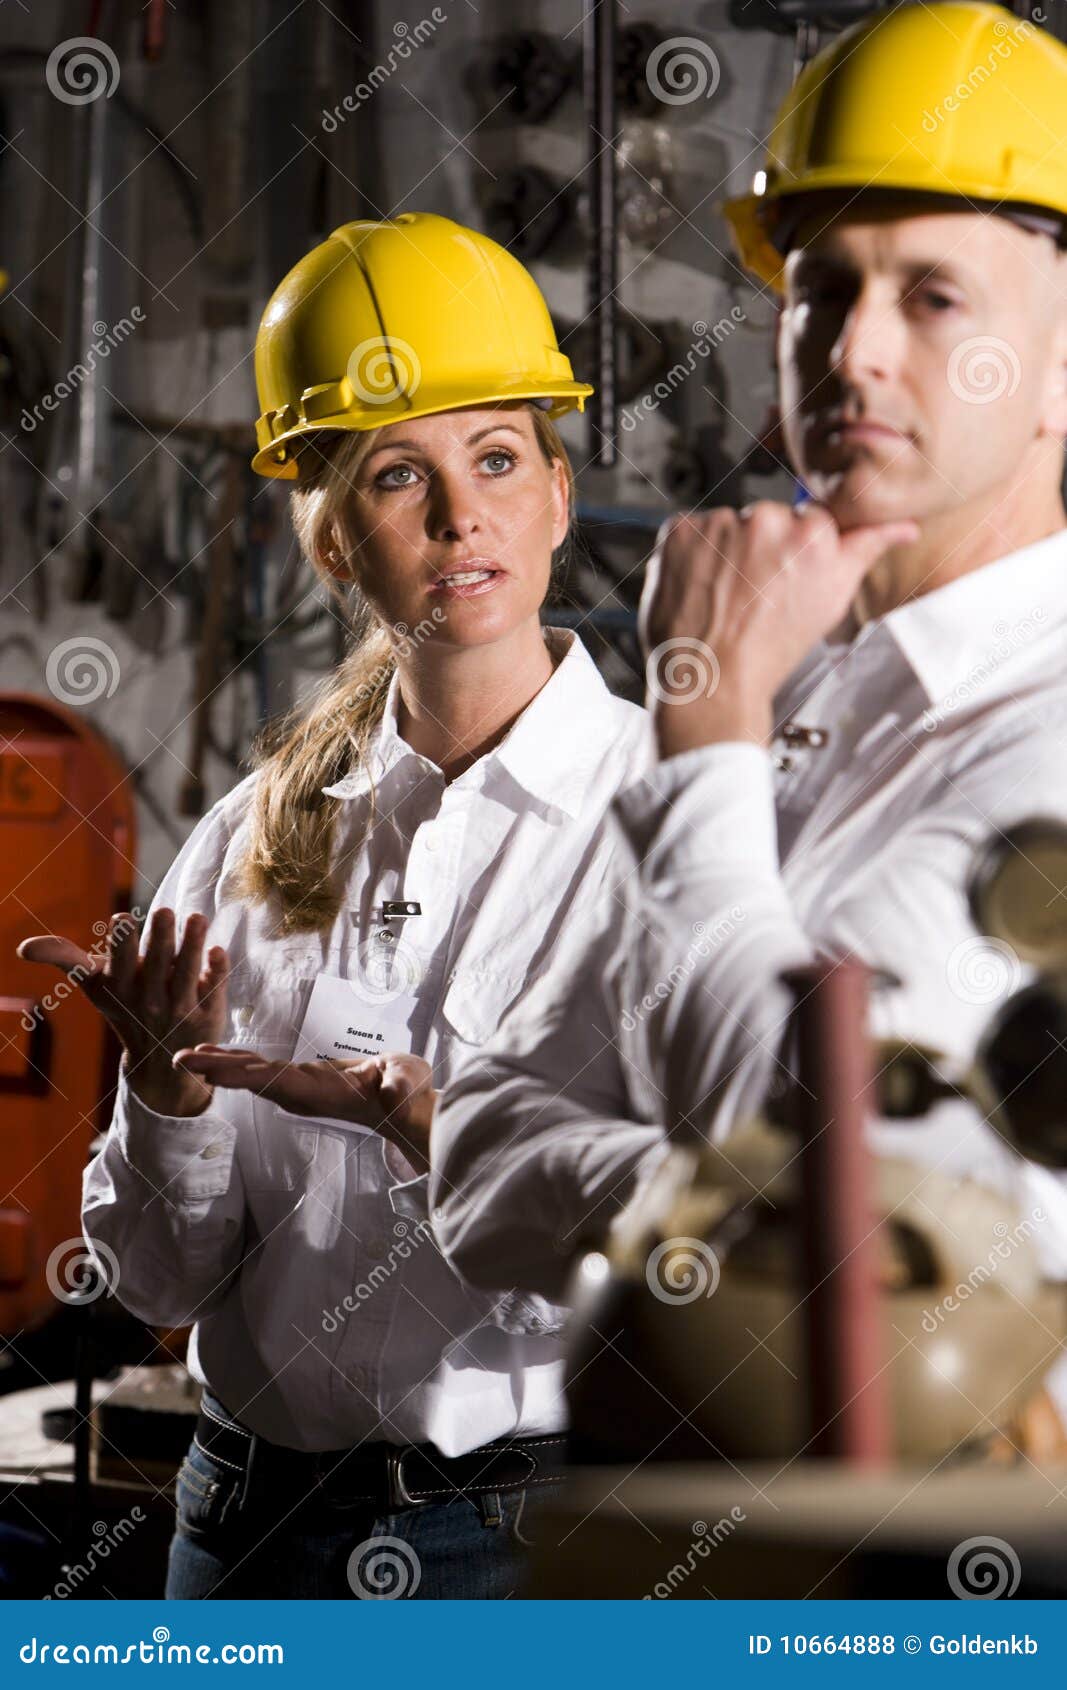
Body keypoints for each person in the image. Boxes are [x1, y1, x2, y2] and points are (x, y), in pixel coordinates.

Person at [429, 2, 1067, 1451]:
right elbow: (474, 1151)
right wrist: (701, 1192)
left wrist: (706, 729)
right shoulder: (801, 696)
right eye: (823, 289)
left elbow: (843, 1183)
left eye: (934, 297)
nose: (854, 353)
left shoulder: (1038, 731)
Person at [17, 213, 649, 1598]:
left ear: (556, 489)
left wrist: (443, 1136)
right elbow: (159, 1286)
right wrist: (166, 1095)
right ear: (332, 541)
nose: (459, 515)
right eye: (395, 476)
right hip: (238, 1526)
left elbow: (699, 1280)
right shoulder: (255, 840)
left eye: (495, 460)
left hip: (525, 1541)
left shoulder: (671, 827)